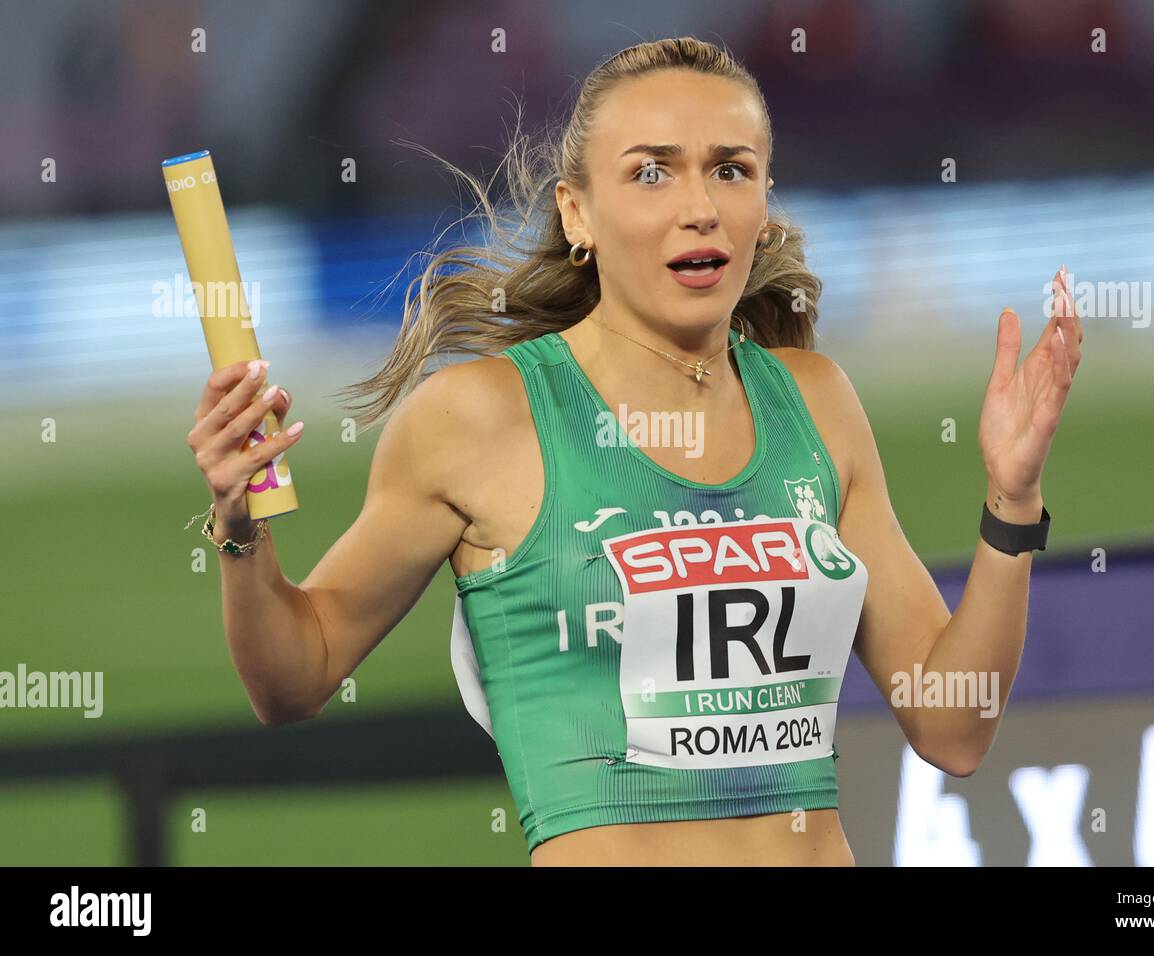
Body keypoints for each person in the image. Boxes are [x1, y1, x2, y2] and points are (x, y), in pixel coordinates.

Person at [184, 37, 1082, 866]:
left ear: (763, 203)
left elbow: (954, 729)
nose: (699, 208)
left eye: (731, 170)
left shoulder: (817, 402)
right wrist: (238, 527)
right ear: (578, 210)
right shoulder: (479, 420)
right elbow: (294, 679)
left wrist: (1011, 500)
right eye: (651, 173)